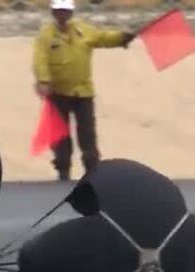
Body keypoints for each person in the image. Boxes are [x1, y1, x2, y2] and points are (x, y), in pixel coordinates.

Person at [32, 0, 135, 181]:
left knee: (87, 133)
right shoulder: (45, 35)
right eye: (58, 11)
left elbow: (103, 38)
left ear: (71, 13)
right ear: (53, 12)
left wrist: (122, 37)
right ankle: (63, 170)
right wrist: (43, 81)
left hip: (83, 93)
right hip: (58, 93)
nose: (62, 14)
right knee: (60, 135)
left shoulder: (83, 30)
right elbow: (40, 59)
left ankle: (92, 170)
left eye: (65, 11)